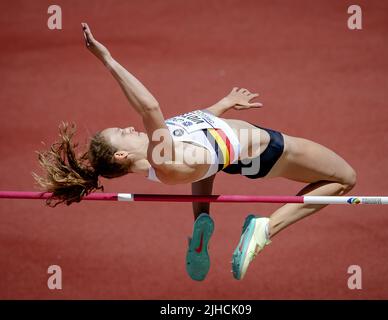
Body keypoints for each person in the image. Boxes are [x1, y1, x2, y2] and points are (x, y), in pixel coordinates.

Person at [35, 23, 357, 281]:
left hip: (220, 157)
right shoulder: (162, 157)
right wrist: (106, 59)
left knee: (204, 162)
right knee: (344, 178)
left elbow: (193, 128)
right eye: (122, 133)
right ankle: (266, 228)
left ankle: (201, 220)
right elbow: (148, 106)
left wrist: (222, 105)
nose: (130, 128)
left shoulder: (163, 151)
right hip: (266, 150)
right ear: (121, 157)